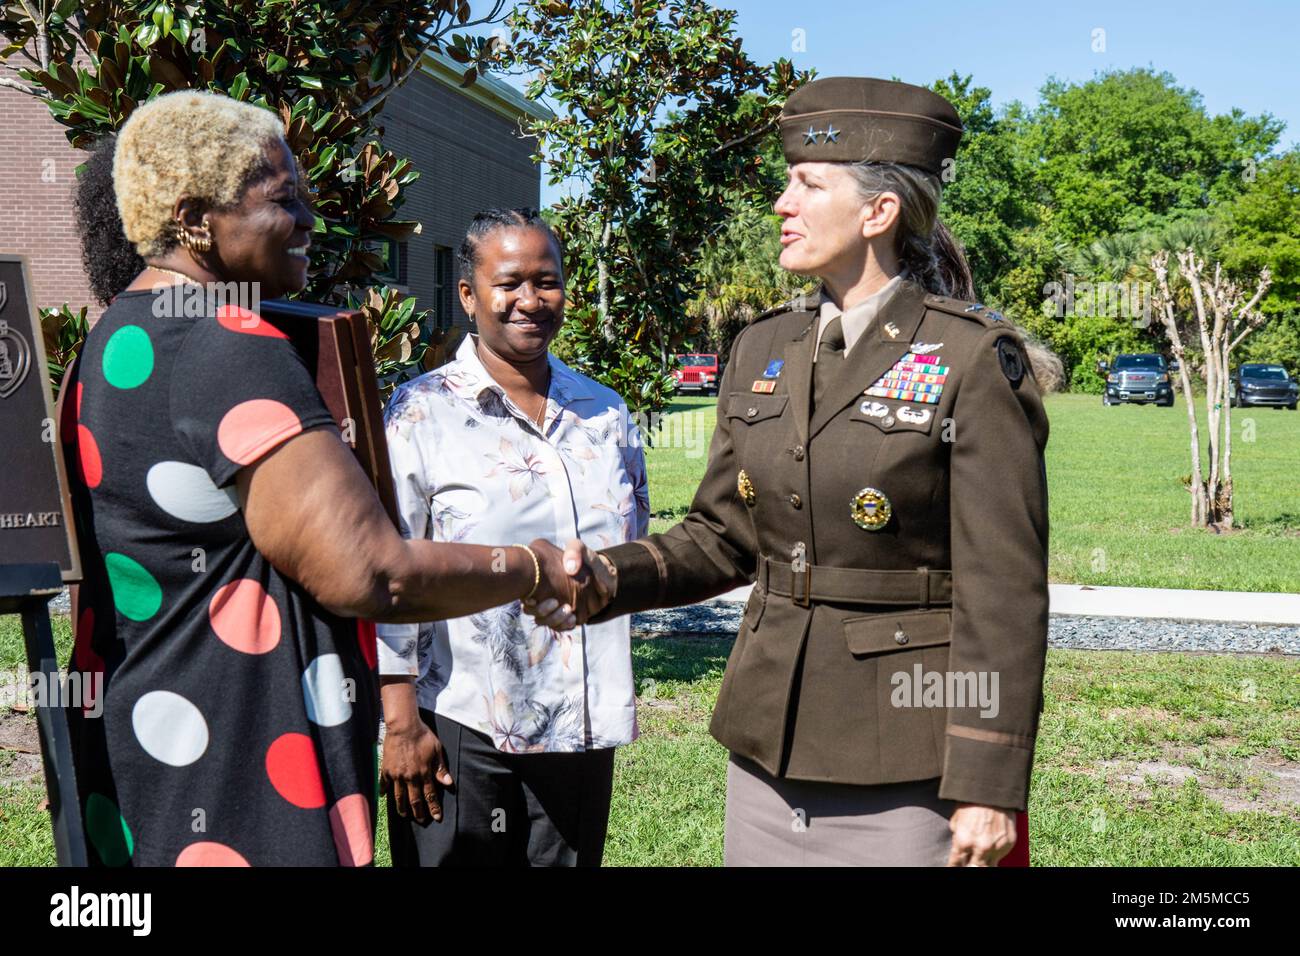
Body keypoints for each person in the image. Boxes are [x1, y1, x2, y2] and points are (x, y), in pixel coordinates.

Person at [62, 90, 591, 867]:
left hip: (146, 741)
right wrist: (531, 566)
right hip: (243, 762)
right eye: (283, 199)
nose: (310, 218)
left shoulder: (109, 338)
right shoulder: (227, 344)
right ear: (193, 217)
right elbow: (371, 571)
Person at [558, 76, 1052, 866]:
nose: (782, 203)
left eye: (808, 184)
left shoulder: (969, 360)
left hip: (906, 757)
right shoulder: (761, 348)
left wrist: (988, 781)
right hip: (768, 744)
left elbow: (1003, 593)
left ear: (878, 213)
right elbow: (722, 536)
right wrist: (608, 578)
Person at [377, 208, 649, 866]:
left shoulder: (605, 411)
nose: (530, 299)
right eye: (509, 283)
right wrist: (399, 722)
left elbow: (632, 549)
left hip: (580, 726)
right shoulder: (421, 412)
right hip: (463, 723)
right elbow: (389, 576)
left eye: (547, 280)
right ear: (470, 295)